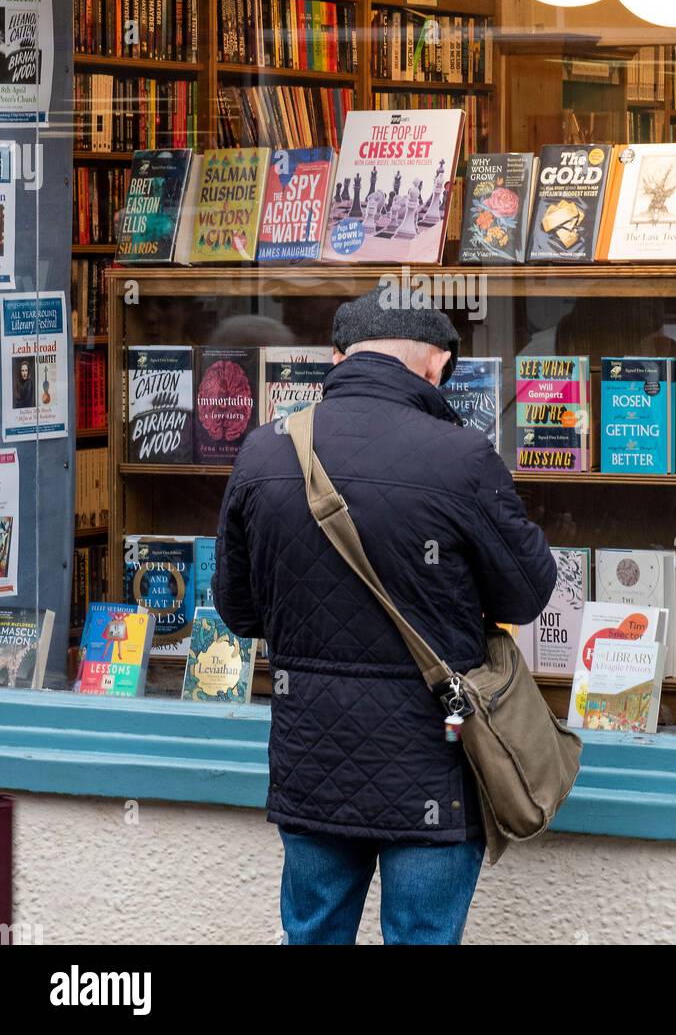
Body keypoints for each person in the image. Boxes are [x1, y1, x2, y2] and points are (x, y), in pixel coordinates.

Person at [213, 284, 557, 946]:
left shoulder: (262, 453)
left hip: (311, 762)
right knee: (422, 937)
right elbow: (526, 596)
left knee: (312, 935)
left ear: (337, 356)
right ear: (433, 364)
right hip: (434, 763)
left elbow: (238, 610)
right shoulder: (461, 458)